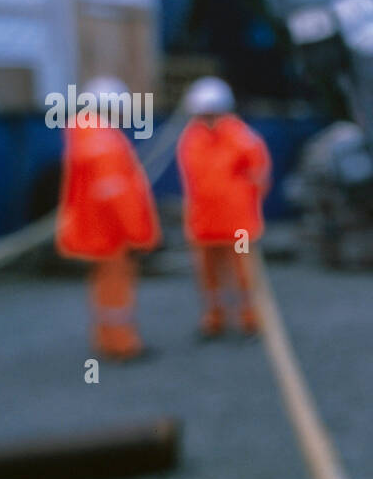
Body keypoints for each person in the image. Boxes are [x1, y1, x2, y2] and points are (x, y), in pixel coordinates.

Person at [55, 76, 161, 361]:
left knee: (103, 282)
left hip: (94, 228)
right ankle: (122, 343)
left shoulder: (84, 135)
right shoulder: (105, 141)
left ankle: (107, 338)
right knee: (117, 284)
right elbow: (118, 194)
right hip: (111, 231)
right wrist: (139, 233)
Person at [176, 77, 271, 337]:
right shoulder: (191, 138)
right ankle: (214, 318)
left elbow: (260, 176)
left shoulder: (241, 137)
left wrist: (244, 204)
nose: (207, 119)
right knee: (208, 275)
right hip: (203, 223)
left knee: (244, 274)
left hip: (237, 223)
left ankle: (249, 318)